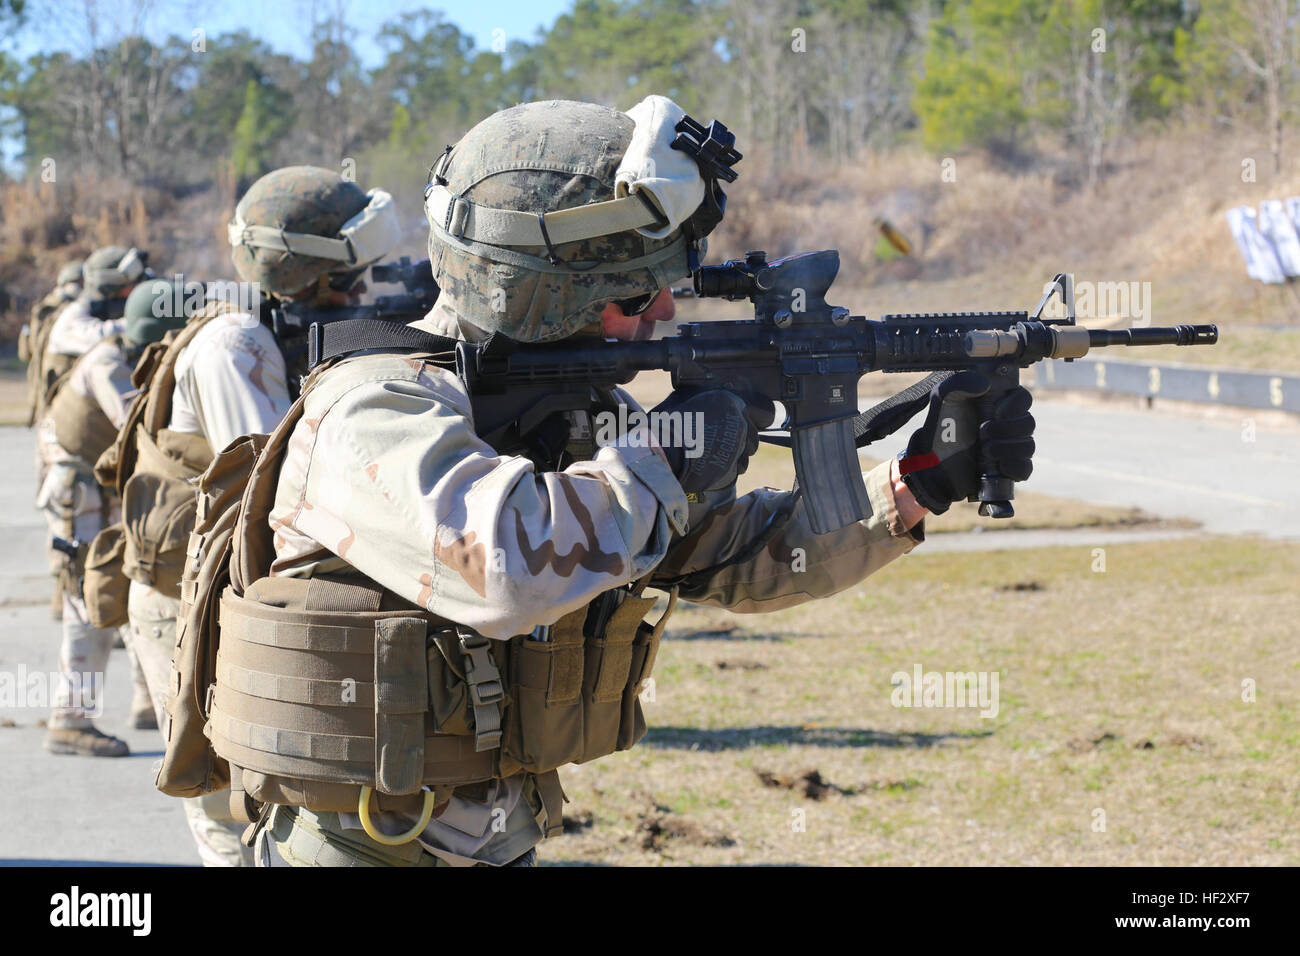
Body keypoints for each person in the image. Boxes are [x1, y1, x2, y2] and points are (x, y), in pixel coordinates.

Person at [207, 97, 1033, 867]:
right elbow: (503, 567)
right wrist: (671, 456)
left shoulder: (571, 414)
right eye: (638, 292)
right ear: (544, 295)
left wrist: (920, 481)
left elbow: (726, 558)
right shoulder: (373, 405)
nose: (664, 315)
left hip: (493, 832)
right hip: (362, 846)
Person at [123, 165, 400, 866]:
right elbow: (274, 491)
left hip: (219, 591)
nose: (362, 292)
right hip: (189, 606)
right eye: (349, 278)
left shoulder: (259, 326)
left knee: (267, 801)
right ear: (310, 273)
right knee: (231, 809)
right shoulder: (236, 343)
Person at [37, 248, 154, 755]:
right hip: (77, 487)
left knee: (127, 582)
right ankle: (70, 718)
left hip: (94, 483)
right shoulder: (101, 348)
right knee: (89, 595)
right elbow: (137, 428)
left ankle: (148, 701)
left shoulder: (110, 344)